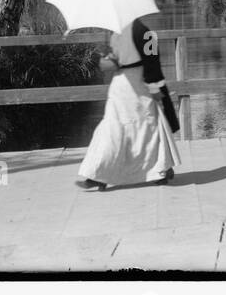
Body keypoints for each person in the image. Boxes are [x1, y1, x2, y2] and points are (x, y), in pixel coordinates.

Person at [76, 14, 181, 190]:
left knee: (124, 129)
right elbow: (153, 64)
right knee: (142, 128)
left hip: (131, 85)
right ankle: (100, 174)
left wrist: (108, 57)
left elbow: (111, 64)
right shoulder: (143, 33)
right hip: (130, 85)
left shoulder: (119, 33)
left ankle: (101, 175)